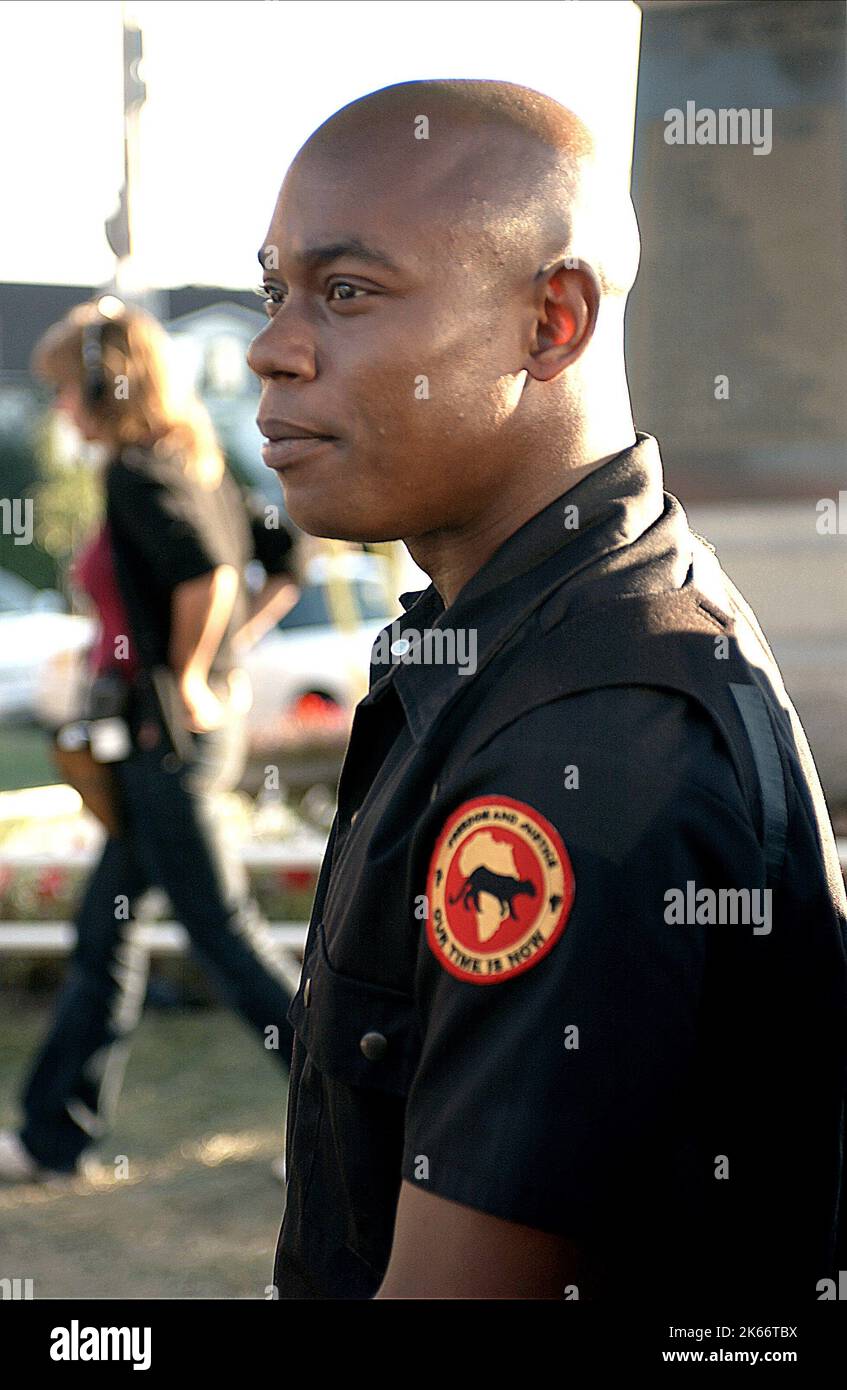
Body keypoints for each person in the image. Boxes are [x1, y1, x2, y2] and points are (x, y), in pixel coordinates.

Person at [247, 79, 847, 1303]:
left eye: (346, 291)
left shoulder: (590, 738)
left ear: (551, 321)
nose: (274, 346)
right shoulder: (522, 642)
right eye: (276, 290)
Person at [0, 297, 300, 1184]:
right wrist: (216, 665)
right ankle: (53, 1138)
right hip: (162, 743)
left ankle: (362, 1119)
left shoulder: (142, 471)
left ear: (106, 385)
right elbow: (281, 561)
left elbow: (209, 576)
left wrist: (194, 674)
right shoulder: (194, 459)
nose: (59, 408)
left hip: (165, 744)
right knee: (109, 938)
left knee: (225, 936)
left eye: (65, 389)